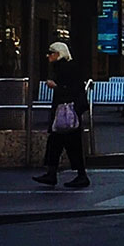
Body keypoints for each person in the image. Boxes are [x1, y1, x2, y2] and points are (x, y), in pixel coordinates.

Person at [34, 41, 90, 188]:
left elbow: (71, 89)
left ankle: (78, 174)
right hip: (67, 111)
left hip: (67, 111)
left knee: (65, 143)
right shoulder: (66, 67)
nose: (48, 56)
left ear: (58, 54)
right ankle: (53, 173)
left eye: (51, 53)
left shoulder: (66, 68)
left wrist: (56, 87)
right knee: (57, 143)